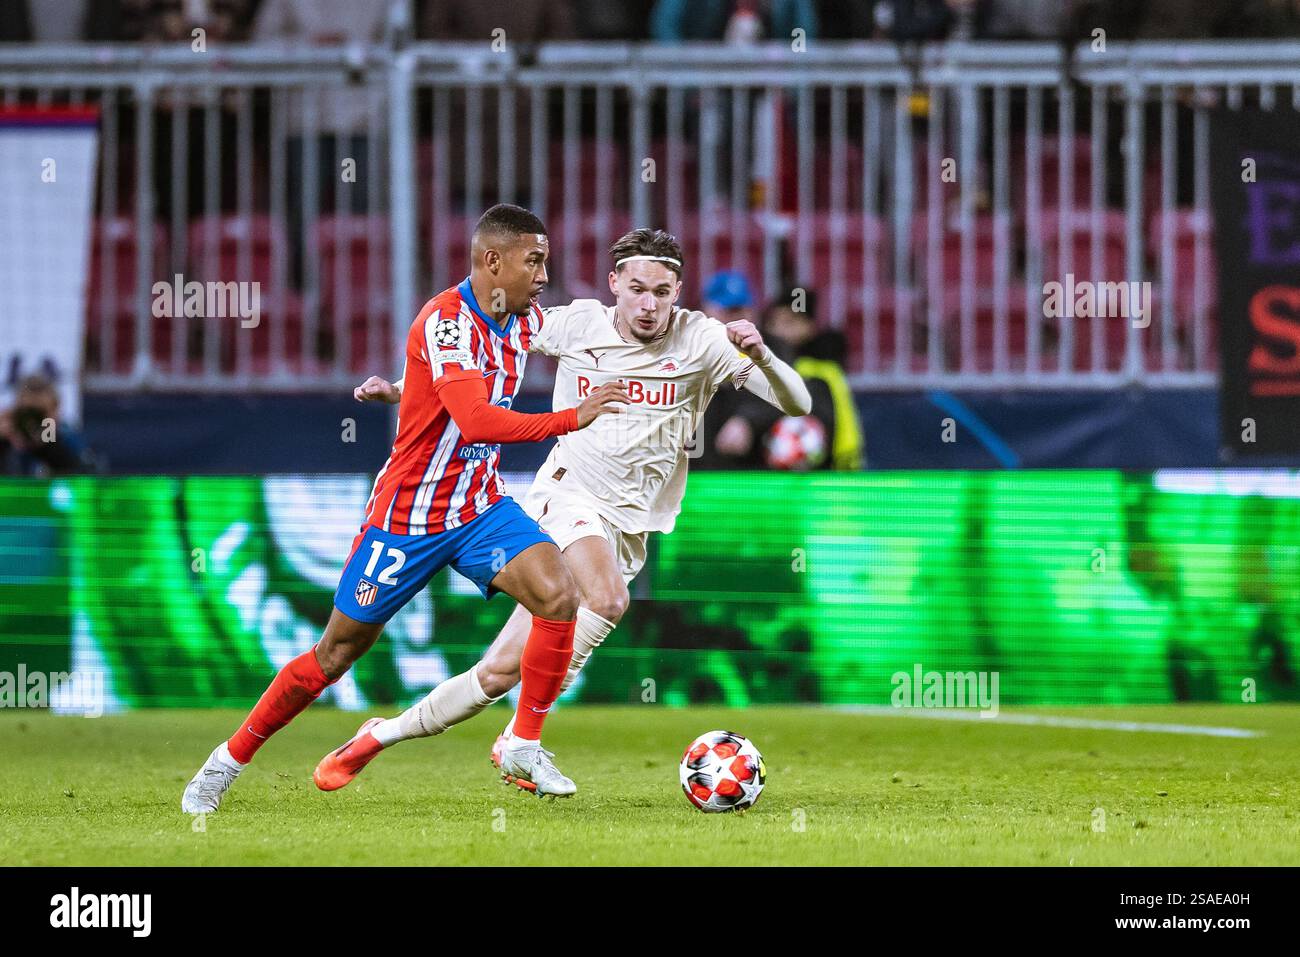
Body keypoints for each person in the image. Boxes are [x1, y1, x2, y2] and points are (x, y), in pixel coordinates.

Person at [321, 227, 811, 790]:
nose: (648, 304)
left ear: (678, 292)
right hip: (567, 492)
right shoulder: (576, 322)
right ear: (614, 285)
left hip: (632, 523)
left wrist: (763, 355)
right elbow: (483, 354)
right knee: (607, 597)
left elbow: (796, 404)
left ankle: (378, 736)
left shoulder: (703, 340)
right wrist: (407, 388)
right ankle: (522, 741)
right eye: (637, 289)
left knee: (497, 675)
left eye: (662, 292)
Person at [180, 204, 630, 811]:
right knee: (334, 656)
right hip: (407, 520)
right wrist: (575, 417)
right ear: (493, 262)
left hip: (478, 509)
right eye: (535, 260)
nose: (545, 273)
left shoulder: (524, 321)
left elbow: (457, 390)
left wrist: (403, 387)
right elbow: (474, 419)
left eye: (545, 259)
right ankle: (225, 762)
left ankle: (524, 741)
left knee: (559, 597)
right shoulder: (445, 322)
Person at [712, 286, 863, 469]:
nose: (780, 330)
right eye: (775, 323)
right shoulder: (758, 362)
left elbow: (839, 433)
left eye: (790, 322)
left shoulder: (819, 373)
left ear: (809, 326)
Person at [0, 375, 97, 476]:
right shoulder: (8, 441)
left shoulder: (70, 440)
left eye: (40, 415)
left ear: (56, 413)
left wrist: (46, 444)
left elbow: (88, 477)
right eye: (29, 414)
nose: (34, 422)